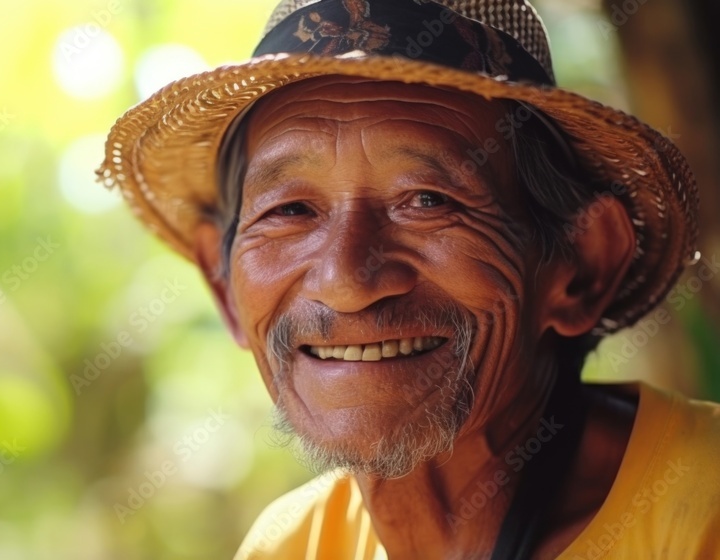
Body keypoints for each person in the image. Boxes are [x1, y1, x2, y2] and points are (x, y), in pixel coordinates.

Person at [98, 0, 720, 558]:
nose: (346, 279)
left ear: (580, 267)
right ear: (224, 288)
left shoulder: (701, 511)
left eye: (427, 201)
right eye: (289, 210)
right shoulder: (290, 547)